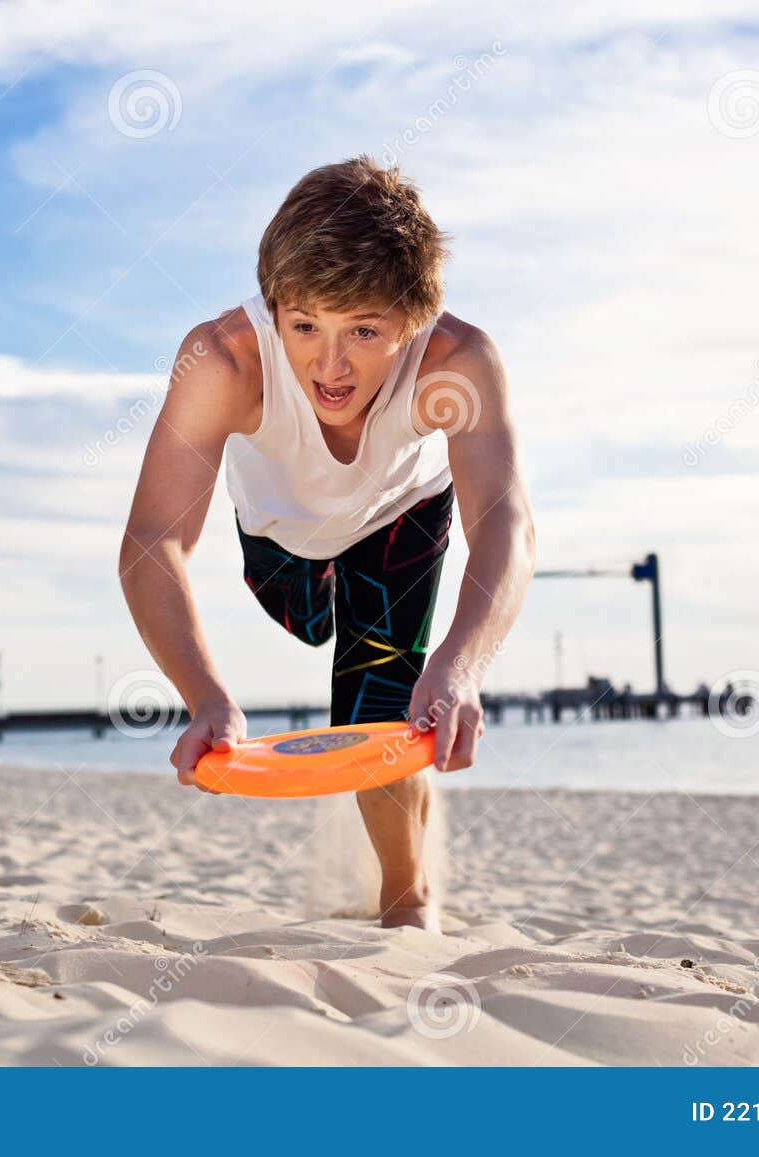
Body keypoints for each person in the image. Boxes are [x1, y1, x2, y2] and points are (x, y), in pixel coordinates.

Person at [119, 157, 535, 928]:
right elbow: (152, 540)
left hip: (397, 520)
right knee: (315, 627)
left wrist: (458, 664)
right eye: (305, 324)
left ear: (413, 321)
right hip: (282, 546)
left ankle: (408, 903)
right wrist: (204, 694)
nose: (329, 364)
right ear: (275, 305)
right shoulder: (222, 360)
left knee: (380, 701)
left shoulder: (458, 361)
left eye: (364, 332)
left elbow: (507, 524)